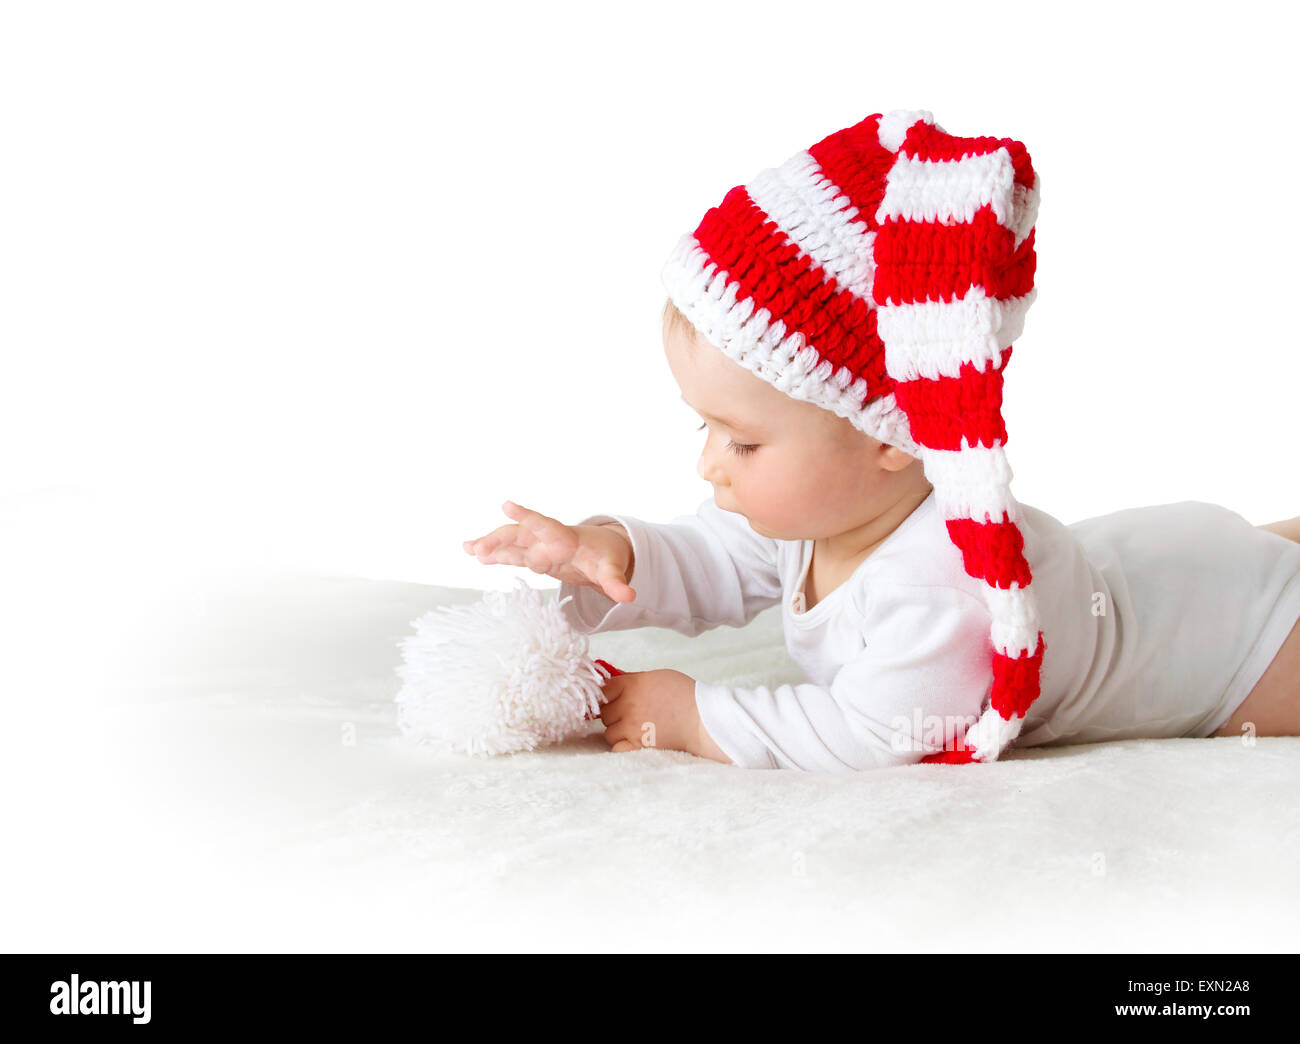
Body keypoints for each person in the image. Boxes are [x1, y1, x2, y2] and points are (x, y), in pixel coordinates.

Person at [463, 109, 1300, 771]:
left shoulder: (937, 585)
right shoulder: (820, 518)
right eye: (705, 428)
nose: (708, 465)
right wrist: (602, 550)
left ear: (888, 439)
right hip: (1157, 566)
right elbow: (709, 562)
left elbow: (871, 735)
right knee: (1240, 560)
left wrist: (693, 717)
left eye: (742, 443)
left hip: (1234, 649)